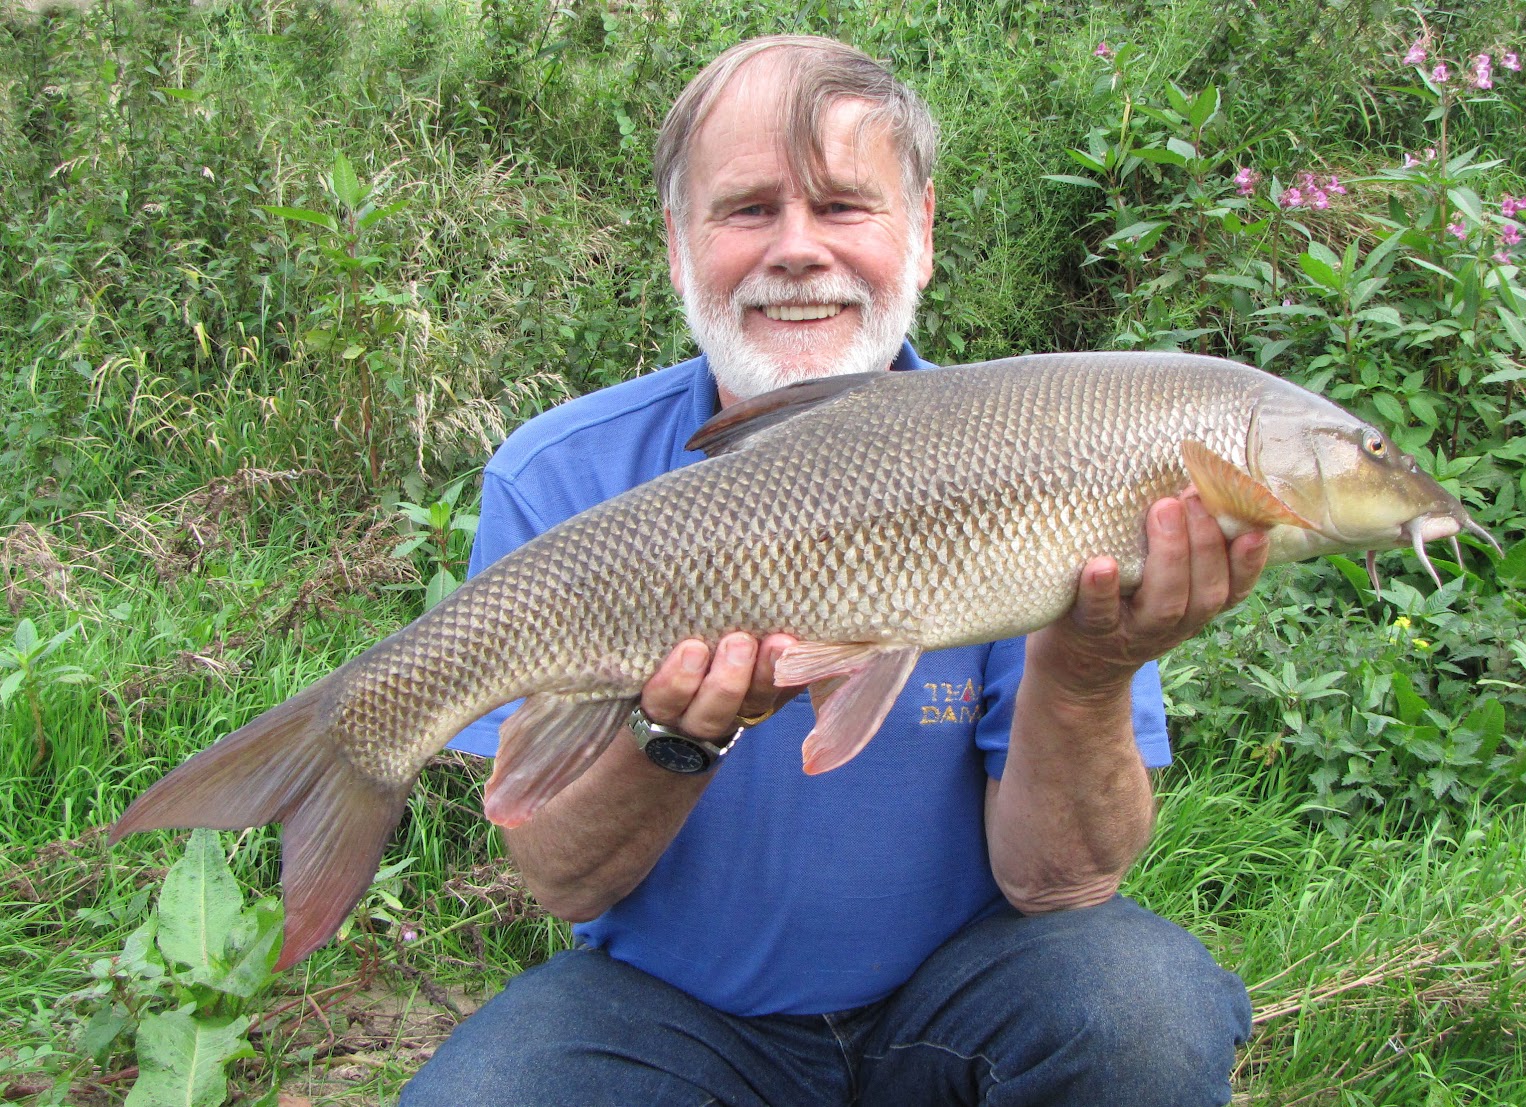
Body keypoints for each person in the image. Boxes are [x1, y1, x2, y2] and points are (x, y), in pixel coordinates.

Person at [402, 34, 1266, 1107]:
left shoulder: (1047, 450)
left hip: (965, 998)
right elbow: (563, 879)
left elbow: (1061, 882)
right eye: (749, 209)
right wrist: (673, 742)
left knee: (1139, 1009)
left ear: (922, 233)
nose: (798, 250)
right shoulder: (562, 478)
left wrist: (1087, 674)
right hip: (677, 1015)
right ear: (677, 244)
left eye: (844, 207)